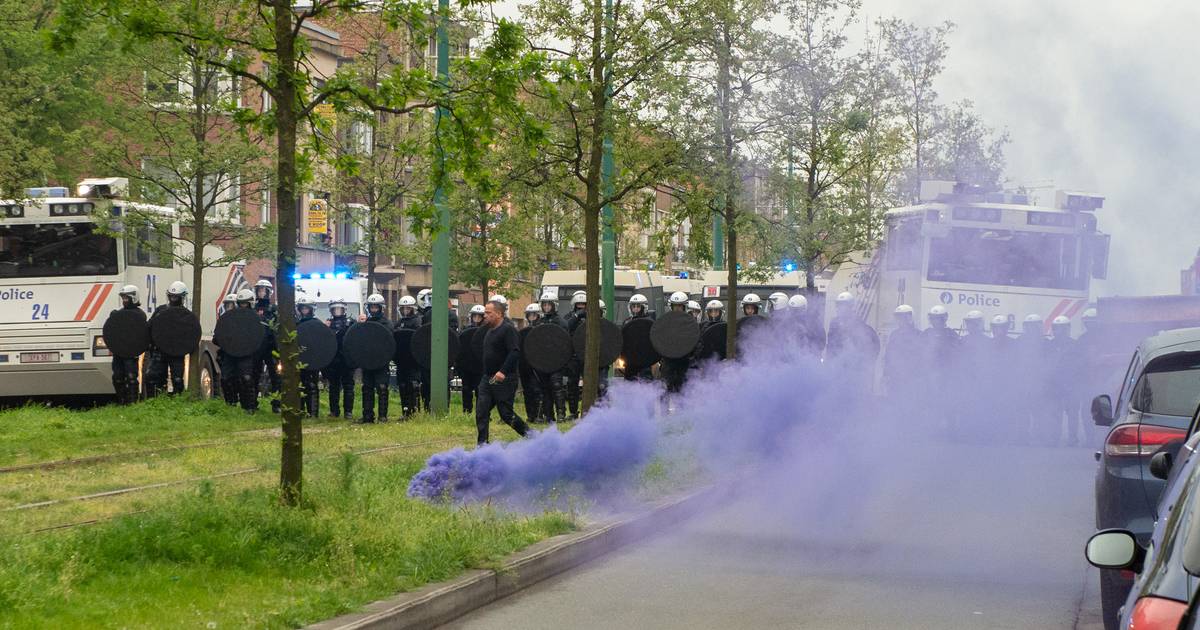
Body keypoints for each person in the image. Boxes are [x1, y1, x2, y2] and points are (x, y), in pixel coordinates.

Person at [476, 295, 530, 444]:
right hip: (487, 379)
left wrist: (503, 372)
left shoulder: (508, 330)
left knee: (506, 414)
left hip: (504, 379)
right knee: (481, 411)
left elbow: (514, 352)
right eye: (485, 313)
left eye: (489, 313)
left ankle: (531, 435)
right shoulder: (488, 331)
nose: (485, 316)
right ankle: (482, 445)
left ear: (499, 314)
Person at [824, 292, 880, 393]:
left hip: (853, 372)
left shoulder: (858, 324)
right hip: (837, 371)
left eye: (842, 305)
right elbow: (831, 346)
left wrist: (864, 364)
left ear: (850, 306)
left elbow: (874, 346)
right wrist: (828, 363)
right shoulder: (834, 324)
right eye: (838, 305)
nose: (839, 308)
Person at [146, 281, 190, 397]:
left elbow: (190, 333)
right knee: (153, 377)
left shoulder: (186, 315)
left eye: (176, 297)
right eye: (171, 296)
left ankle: (177, 402)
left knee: (177, 380)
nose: (173, 299)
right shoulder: (160, 311)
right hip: (159, 351)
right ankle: (156, 402)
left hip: (177, 352)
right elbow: (149, 327)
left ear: (182, 297)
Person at [417, 289, 459, 410]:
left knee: (443, 383)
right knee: (427, 383)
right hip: (428, 353)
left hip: (444, 354)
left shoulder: (450, 315)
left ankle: (442, 408)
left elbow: (452, 337)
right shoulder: (428, 315)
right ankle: (427, 408)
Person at [1015, 313, 1052, 441]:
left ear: (1038, 327)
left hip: (1039, 382)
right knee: (1022, 411)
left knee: (1038, 412)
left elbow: (1049, 362)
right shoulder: (1019, 341)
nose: (1031, 329)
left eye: (1033, 326)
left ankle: (1039, 436)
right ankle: (1022, 436)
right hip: (1023, 381)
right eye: (1029, 326)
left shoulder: (1045, 342)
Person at [1048, 315, 1084, 445]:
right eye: (1057, 328)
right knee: (1055, 413)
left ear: (1067, 329)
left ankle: (1072, 438)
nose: (1059, 331)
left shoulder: (1075, 345)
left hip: (1071, 385)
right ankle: (1054, 438)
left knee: (1072, 414)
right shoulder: (1049, 345)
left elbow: (1080, 365)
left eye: (1062, 328)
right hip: (1055, 386)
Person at [536, 292, 569, 423]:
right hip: (543, 361)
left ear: (554, 305)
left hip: (556, 360)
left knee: (557, 386)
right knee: (544, 388)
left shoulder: (561, 322)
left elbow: (565, 342)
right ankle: (548, 415)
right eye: (544, 304)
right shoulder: (540, 322)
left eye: (549, 304)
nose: (546, 307)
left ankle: (561, 413)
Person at [358, 293, 391, 423]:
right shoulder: (366, 323)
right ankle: (367, 416)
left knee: (382, 387)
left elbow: (389, 341)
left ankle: (383, 416)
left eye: (376, 307)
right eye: (371, 307)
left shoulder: (387, 324)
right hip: (367, 360)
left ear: (381, 308)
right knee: (367, 388)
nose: (373, 310)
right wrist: (359, 325)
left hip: (381, 361)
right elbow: (358, 340)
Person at [110, 285, 143, 405]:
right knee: (117, 377)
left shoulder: (139, 315)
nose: (124, 300)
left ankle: (133, 403)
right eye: (123, 298)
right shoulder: (118, 313)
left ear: (133, 298)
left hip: (131, 351)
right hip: (119, 351)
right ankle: (122, 402)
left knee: (131, 378)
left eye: (126, 298)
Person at [323, 297, 355, 419]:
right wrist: (325, 328)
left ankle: (348, 411)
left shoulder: (350, 323)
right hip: (333, 360)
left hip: (346, 359)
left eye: (339, 309)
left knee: (348, 386)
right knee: (334, 386)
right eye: (334, 309)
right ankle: (334, 411)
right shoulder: (328, 324)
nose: (337, 311)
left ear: (344, 309)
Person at [882, 305, 922, 398]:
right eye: (898, 317)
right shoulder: (894, 334)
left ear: (909, 317)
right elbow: (888, 355)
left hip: (912, 379)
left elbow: (922, 358)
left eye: (902, 317)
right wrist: (885, 374)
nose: (899, 320)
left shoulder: (919, 335)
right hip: (895, 378)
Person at [253, 279, 281, 413]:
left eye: (264, 290)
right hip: (257, 347)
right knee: (254, 375)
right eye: (259, 290)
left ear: (269, 292)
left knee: (276, 376)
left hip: (271, 348)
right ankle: (253, 403)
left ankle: (276, 404)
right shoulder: (253, 309)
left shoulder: (274, 309)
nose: (261, 293)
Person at [393, 295, 423, 419]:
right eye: (403, 309)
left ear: (413, 309)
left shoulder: (418, 321)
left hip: (414, 360)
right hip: (401, 360)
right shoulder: (399, 323)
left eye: (408, 308)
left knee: (413, 385)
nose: (405, 311)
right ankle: (405, 411)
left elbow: (420, 340)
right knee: (402, 386)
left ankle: (414, 411)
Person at [293, 295, 322, 417]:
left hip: (312, 359)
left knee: (311, 385)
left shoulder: (316, 324)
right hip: (299, 359)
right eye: (302, 308)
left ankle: (313, 412)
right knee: (299, 385)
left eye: (306, 308)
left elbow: (321, 342)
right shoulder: (296, 324)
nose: (304, 310)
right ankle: (300, 411)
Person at [562, 291, 588, 419]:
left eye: (583, 304)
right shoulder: (569, 317)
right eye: (579, 304)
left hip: (587, 355)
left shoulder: (592, 315)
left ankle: (589, 411)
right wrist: (577, 316)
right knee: (572, 384)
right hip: (573, 355)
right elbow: (566, 327)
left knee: (590, 384)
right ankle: (573, 412)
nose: (581, 306)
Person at [660, 292, 692, 393]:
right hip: (668, 363)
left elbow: (696, 343)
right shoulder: (665, 322)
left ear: (685, 307)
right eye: (675, 306)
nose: (677, 308)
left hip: (684, 363)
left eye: (680, 306)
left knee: (683, 394)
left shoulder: (691, 324)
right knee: (664, 392)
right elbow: (660, 340)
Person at [459, 304, 486, 414]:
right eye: (475, 316)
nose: (476, 319)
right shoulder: (465, 331)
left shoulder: (487, 331)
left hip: (481, 367)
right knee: (466, 389)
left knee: (481, 391)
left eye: (479, 317)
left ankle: (481, 412)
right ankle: (466, 412)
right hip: (467, 366)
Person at [519, 303, 544, 422]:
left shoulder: (543, 330)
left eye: (534, 315)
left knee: (537, 390)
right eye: (530, 315)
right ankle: (530, 415)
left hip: (538, 366)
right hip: (525, 366)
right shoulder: (523, 331)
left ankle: (539, 415)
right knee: (527, 391)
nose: (531, 317)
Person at [622, 293, 654, 381]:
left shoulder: (649, 322)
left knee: (646, 383)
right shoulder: (626, 322)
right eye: (633, 306)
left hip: (645, 360)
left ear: (644, 307)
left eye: (638, 306)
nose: (635, 309)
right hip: (630, 360)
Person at [218, 293, 240, 406]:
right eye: (227, 305)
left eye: (231, 305)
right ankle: (229, 401)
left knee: (240, 379)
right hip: (227, 354)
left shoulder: (243, 321)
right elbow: (216, 337)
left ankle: (239, 400)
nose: (229, 308)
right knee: (225, 378)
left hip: (241, 354)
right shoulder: (223, 320)